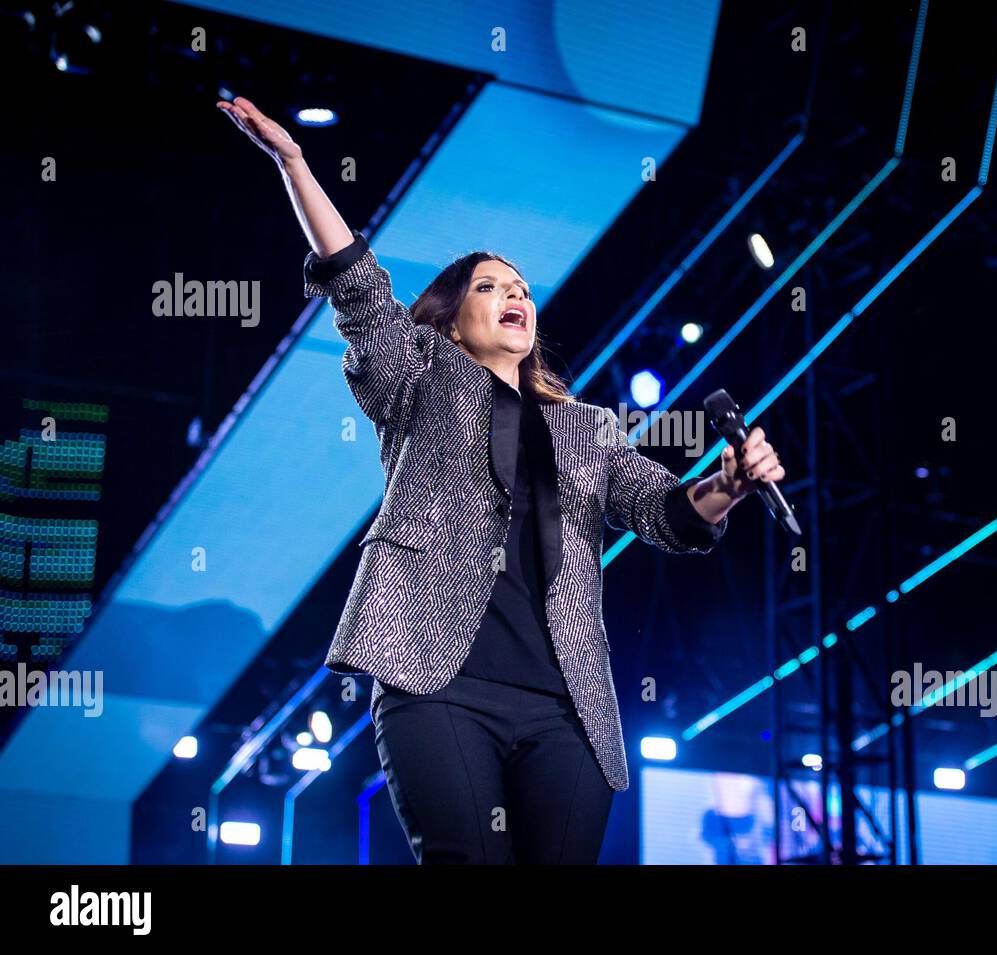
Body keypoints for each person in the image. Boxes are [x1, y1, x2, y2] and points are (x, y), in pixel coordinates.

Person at [218, 95, 788, 864]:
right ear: (453, 322)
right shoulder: (417, 378)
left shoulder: (587, 429)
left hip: (565, 705)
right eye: (490, 286)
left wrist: (727, 481)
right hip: (438, 683)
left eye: (520, 287)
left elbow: (663, 511)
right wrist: (295, 163)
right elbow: (358, 288)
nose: (514, 295)